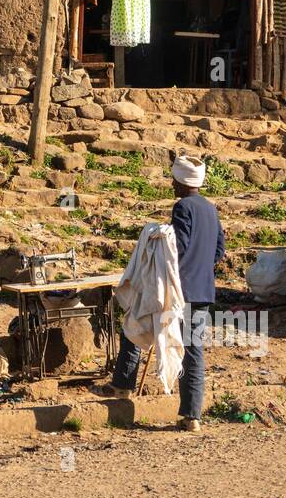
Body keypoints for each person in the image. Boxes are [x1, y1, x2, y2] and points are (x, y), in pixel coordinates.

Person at [95, 156, 224, 429]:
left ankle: (122, 386)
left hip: (177, 290)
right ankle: (192, 416)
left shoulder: (183, 207)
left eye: (174, 180)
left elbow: (178, 248)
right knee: (193, 351)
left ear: (182, 181)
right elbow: (219, 250)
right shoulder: (211, 209)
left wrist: (161, 241)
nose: (172, 184)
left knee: (135, 323)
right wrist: (200, 267)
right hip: (202, 291)